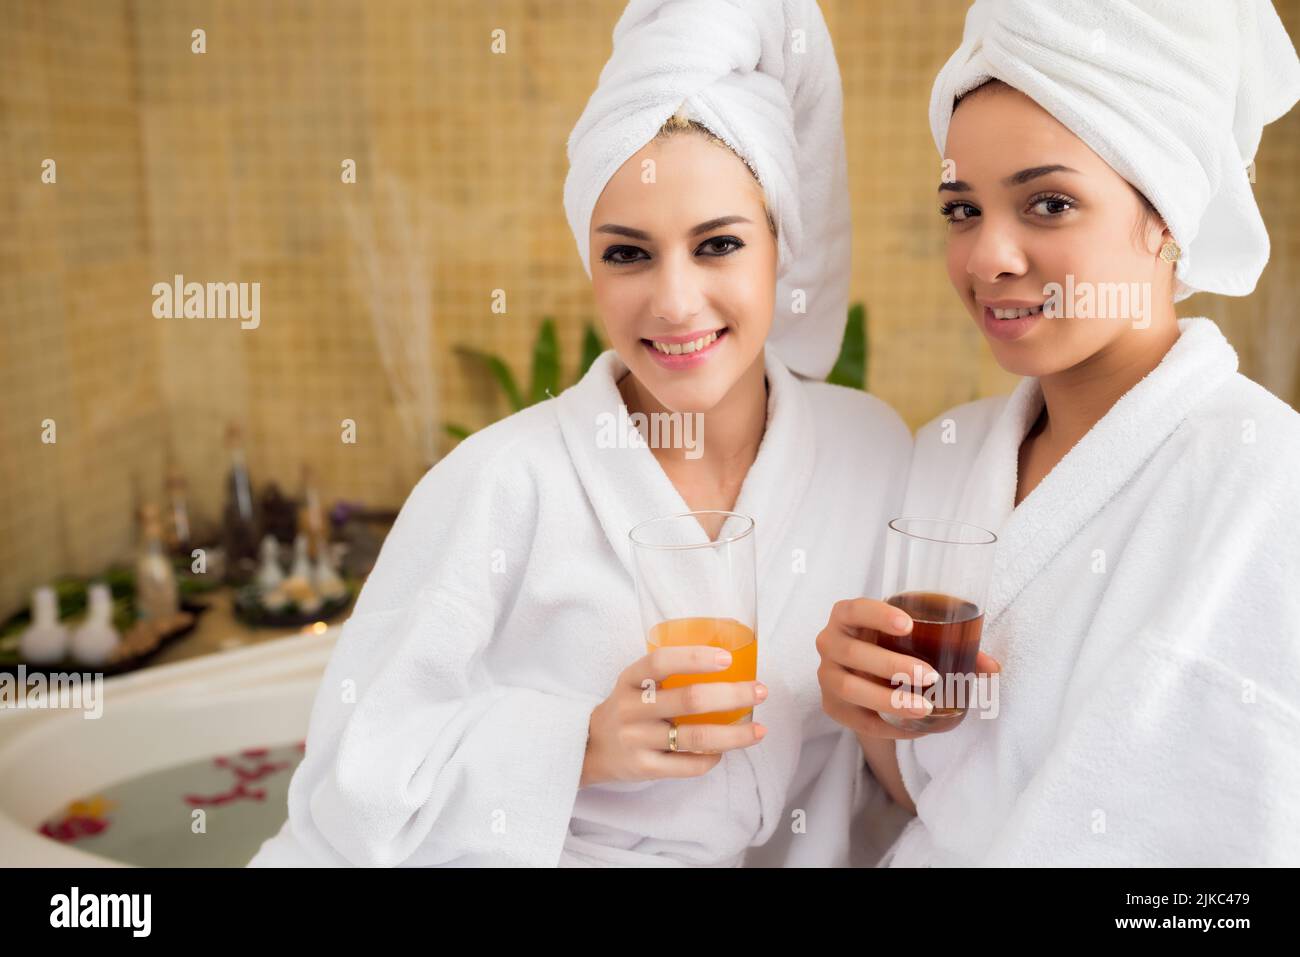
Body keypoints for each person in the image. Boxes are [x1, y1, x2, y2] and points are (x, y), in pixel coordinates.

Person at [249, 0, 914, 868]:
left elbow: (925, 776)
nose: (674, 302)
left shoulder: (870, 456)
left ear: (781, 248)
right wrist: (579, 745)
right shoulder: (501, 481)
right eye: (628, 253)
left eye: (717, 244)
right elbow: (352, 782)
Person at [817, 0, 1300, 865]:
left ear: (1167, 217)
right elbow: (934, 798)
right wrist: (877, 716)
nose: (988, 257)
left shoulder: (1265, 478)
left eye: (1047, 203)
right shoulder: (945, 458)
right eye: (961, 210)